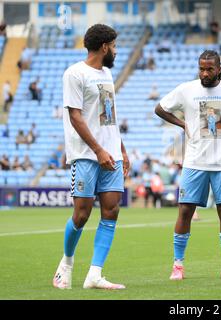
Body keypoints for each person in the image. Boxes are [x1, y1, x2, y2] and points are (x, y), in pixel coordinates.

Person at [154, 50, 221, 281]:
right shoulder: (187, 90)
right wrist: (182, 124)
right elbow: (160, 108)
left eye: (209, 69)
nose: (204, 73)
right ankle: (178, 265)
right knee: (185, 212)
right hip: (194, 162)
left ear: (219, 68)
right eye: (201, 68)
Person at [53, 24, 130, 290]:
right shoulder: (74, 74)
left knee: (111, 210)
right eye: (115, 46)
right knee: (82, 214)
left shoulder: (107, 74)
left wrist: (121, 149)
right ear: (105, 46)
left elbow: (108, 116)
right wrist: (98, 150)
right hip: (86, 155)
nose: (116, 51)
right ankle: (66, 264)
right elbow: (75, 116)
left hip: (111, 155)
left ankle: (95, 274)